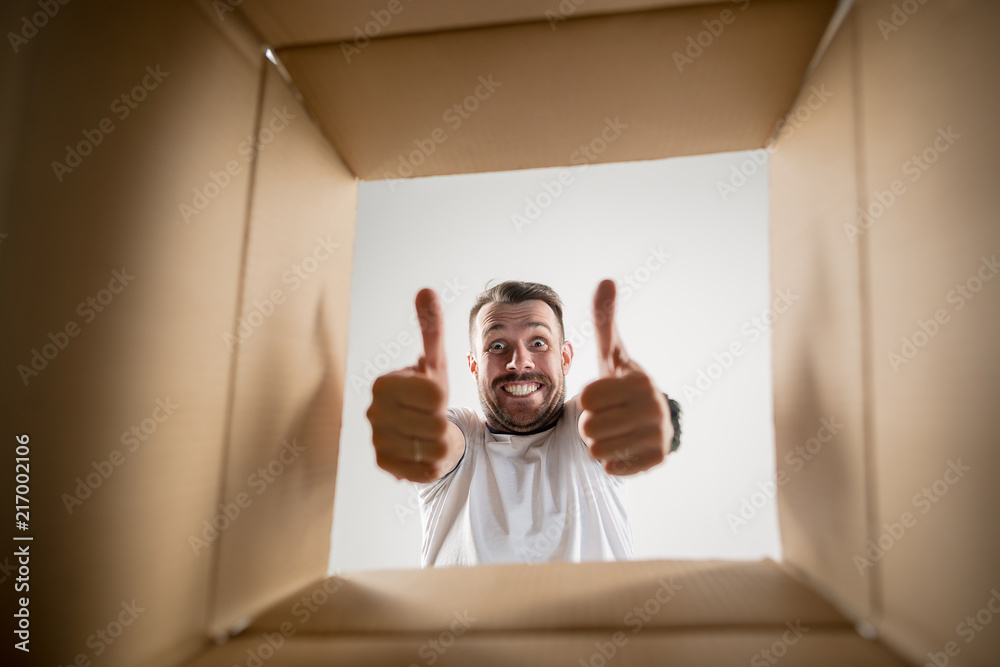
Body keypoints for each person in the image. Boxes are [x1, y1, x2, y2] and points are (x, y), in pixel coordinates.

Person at [366, 279, 681, 567]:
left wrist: (653, 419)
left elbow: (604, 420)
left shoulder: (580, 426)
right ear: (474, 366)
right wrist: (414, 432)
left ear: (565, 358)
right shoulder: (462, 431)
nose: (519, 362)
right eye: (497, 346)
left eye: (539, 343)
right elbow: (440, 443)